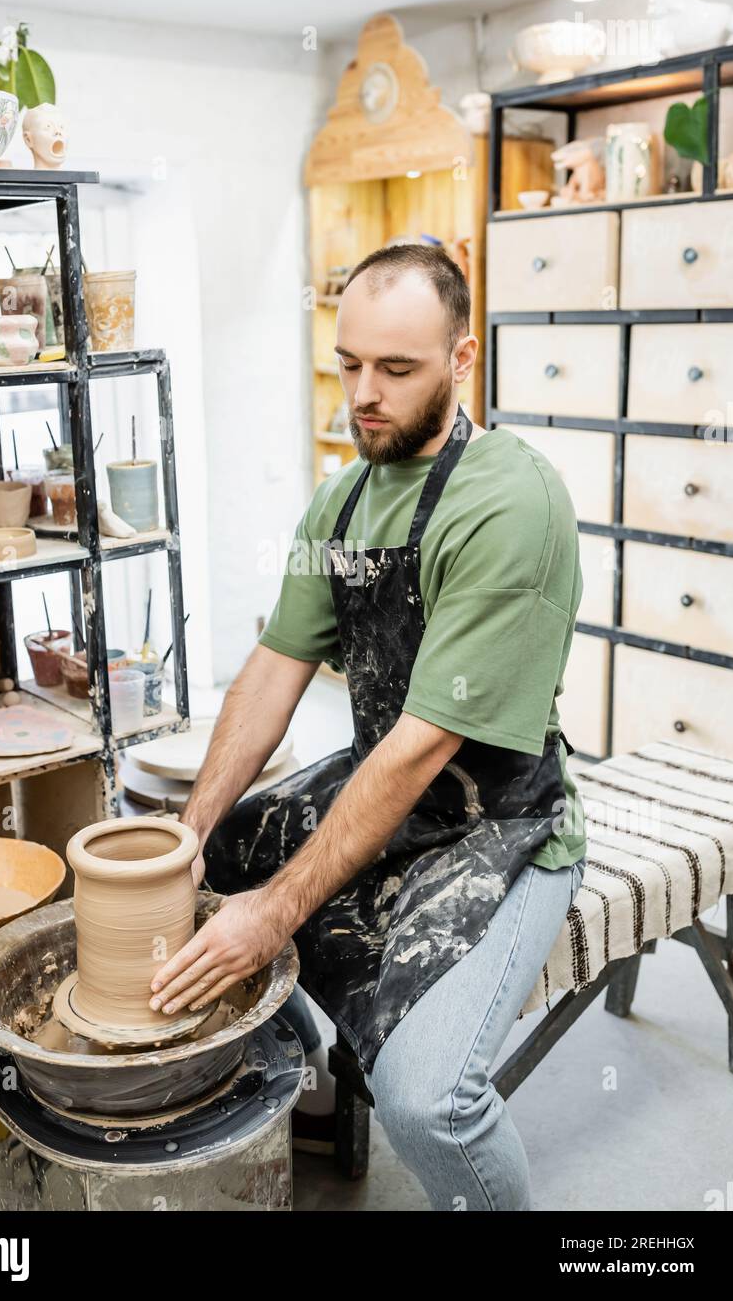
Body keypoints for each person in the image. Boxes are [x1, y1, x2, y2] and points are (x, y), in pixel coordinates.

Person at [149, 243, 586, 1210]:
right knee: (195, 864)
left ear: (463, 360)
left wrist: (275, 911)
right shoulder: (341, 498)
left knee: (429, 1104)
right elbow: (271, 672)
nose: (364, 394)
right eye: (350, 364)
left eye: (398, 369)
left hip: (498, 822)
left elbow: (425, 743)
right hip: (385, 778)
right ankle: (308, 1073)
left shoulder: (510, 501)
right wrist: (186, 832)